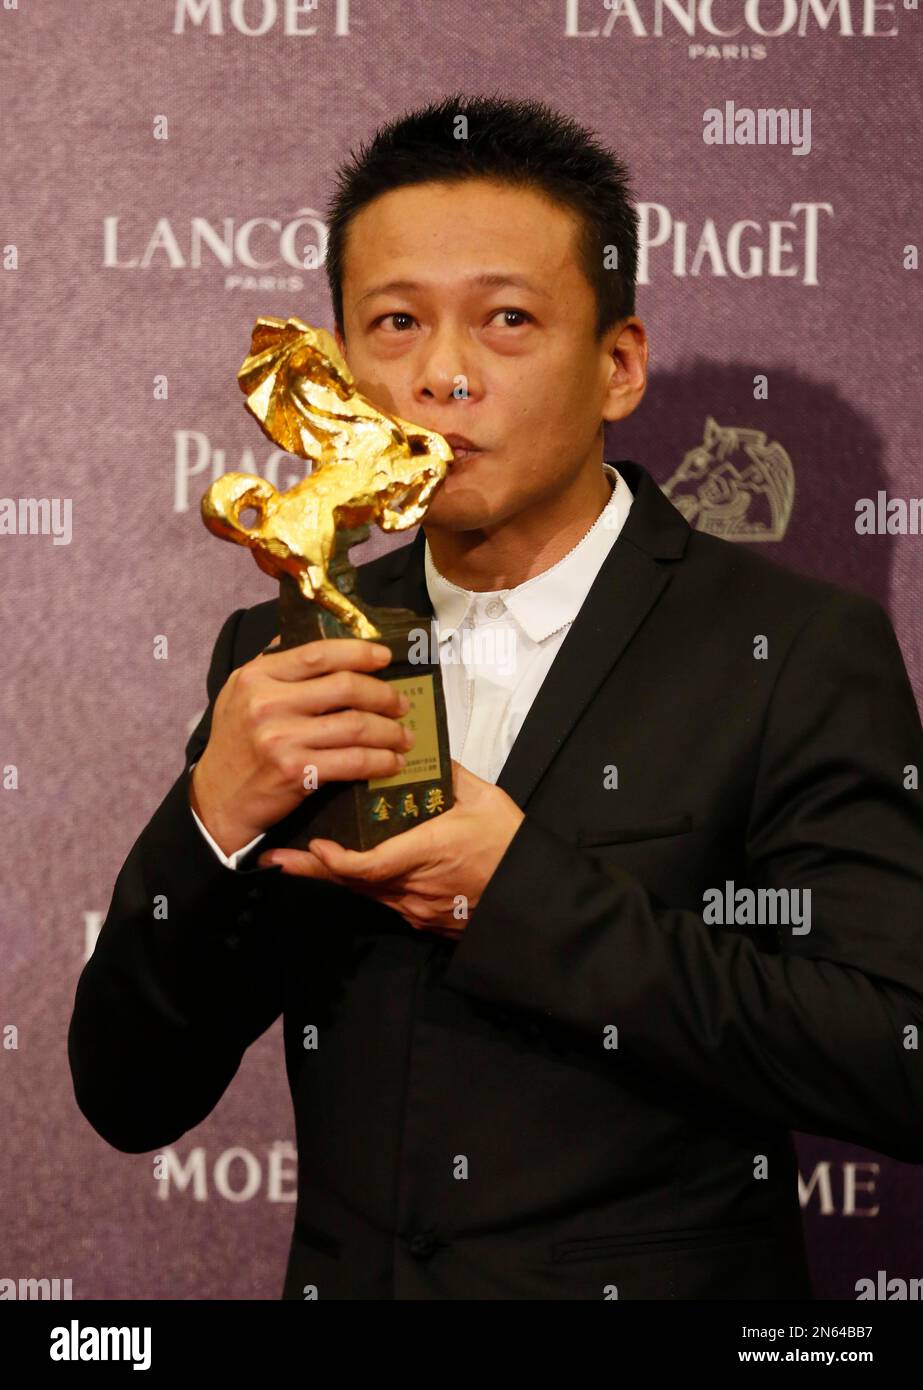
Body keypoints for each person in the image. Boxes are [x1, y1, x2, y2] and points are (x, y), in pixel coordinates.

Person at [67, 93, 923, 1300]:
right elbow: (129, 1091)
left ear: (618, 363)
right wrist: (207, 821)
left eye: (507, 319)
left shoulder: (787, 648)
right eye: (395, 324)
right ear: (340, 362)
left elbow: (895, 1055)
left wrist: (513, 896)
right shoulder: (285, 647)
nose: (443, 377)